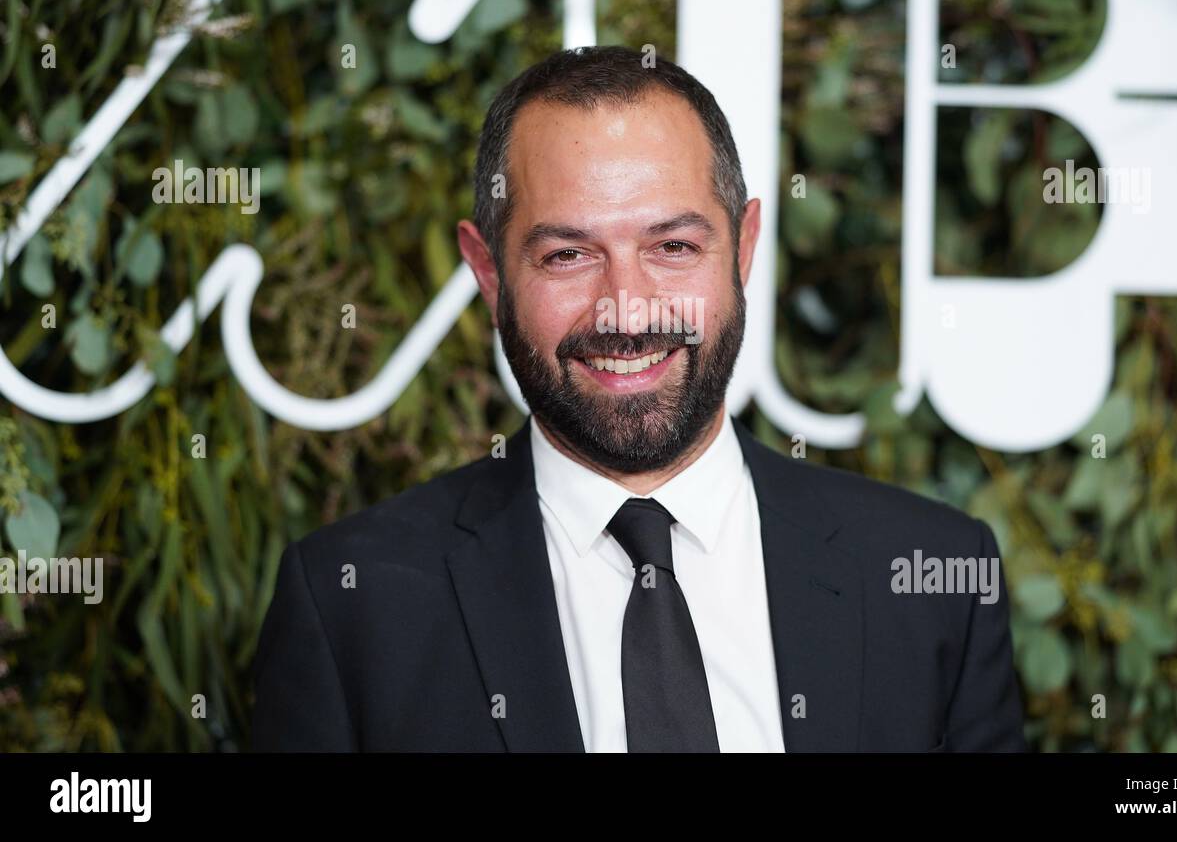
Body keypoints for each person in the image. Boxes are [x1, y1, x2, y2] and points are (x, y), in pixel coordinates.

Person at [251, 45, 1026, 752]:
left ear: (744, 248)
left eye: (673, 247)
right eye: (567, 255)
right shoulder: (350, 607)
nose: (626, 310)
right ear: (489, 273)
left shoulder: (932, 578)